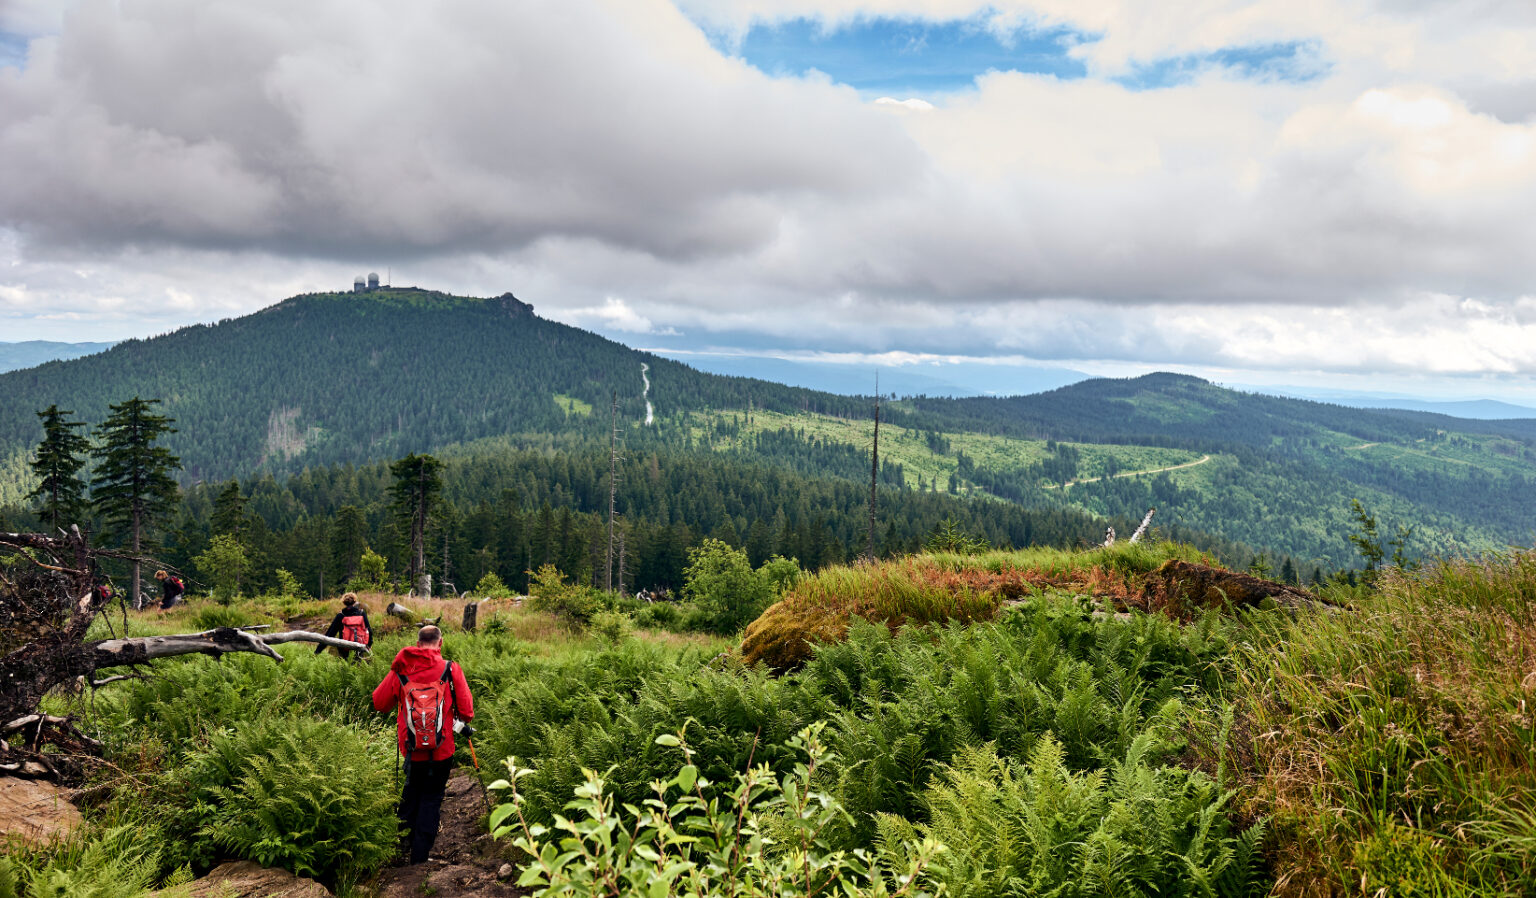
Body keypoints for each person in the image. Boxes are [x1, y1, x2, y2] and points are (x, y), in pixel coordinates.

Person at [372, 625, 474, 865]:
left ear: (418, 644)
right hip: (442, 749)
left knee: (411, 793)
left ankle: (400, 848)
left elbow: (379, 703)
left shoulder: (401, 670)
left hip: (411, 749)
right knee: (432, 797)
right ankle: (419, 858)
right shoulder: (451, 669)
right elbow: (467, 712)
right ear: (440, 643)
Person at [315, 593, 372, 659]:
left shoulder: (340, 615)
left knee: (345, 664)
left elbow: (330, 634)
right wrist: (369, 645)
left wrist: (318, 651)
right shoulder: (361, 613)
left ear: (344, 602)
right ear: (355, 601)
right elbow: (369, 631)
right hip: (359, 646)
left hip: (344, 647)